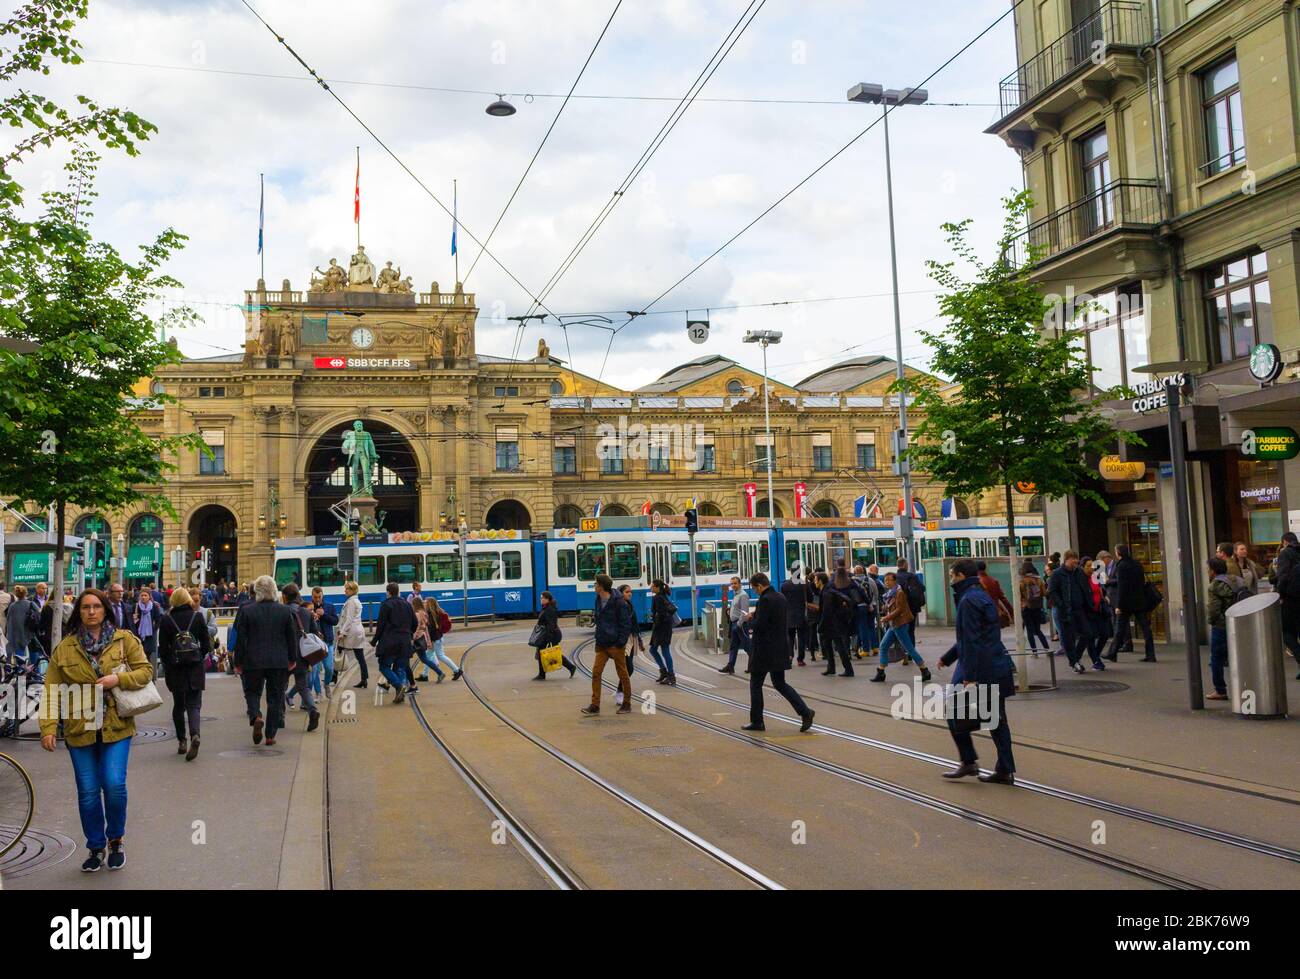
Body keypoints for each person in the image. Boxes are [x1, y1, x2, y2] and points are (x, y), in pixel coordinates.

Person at [39, 588, 153, 871]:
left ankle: (115, 839)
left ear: (105, 610)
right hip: (80, 726)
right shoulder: (65, 648)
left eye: (96, 607)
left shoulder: (123, 640)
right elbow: (51, 689)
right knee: (88, 791)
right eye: (85, 607)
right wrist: (48, 727)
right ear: (78, 611)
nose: (91, 612)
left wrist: (118, 679)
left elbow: (146, 671)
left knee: (114, 785)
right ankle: (95, 846)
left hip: (116, 725)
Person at [937, 560, 1016, 784]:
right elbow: (980, 634)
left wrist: (969, 677)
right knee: (997, 720)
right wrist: (948, 657)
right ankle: (1005, 769)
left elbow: (970, 639)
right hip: (995, 664)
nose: (951, 580)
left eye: (952, 576)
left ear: (961, 576)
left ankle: (969, 761)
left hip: (977, 667)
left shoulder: (968, 600)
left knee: (953, 711)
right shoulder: (981, 595)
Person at [742, 573, 815, 733]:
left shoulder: (765, 600)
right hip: (780, 648)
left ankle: (757, 721)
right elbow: (774, 619)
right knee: (780, 684)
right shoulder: (780, 597)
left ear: (759, 586)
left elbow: (761, 625)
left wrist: (750, 619)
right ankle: (805, 712)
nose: (755, 591)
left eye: (755, 588)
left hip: (764, 650)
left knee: (755, 685)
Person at [231, 575, 298, 746]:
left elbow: (241, 640)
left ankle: (256, 716)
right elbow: (291, 638)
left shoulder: (247, 611)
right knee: (275, 697)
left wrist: (237, 662)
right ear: (275, 591)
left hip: (253, 660)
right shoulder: (285, 611)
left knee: (252, 692)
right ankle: (270, 735)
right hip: (278, 660)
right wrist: (292, 659)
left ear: (257, 592)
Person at [157, 587, 210, 761]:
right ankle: (195, 734)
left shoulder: (166, 619)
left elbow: (163, 649)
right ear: (188, 599)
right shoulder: (198, 616)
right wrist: (198, 657)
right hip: (195, 666)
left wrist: (170, 663)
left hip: (176, 667)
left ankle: (182, 741)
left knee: (179, 705)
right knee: (194, 704)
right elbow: (206, 644)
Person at [580, 573, 633, 716]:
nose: (594, 586)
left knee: (623, 674)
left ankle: (626, 703)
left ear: (602, 586)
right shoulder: (598, 599)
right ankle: (595, 705)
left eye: (596, 584)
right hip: (602, 643)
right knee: (596, 673)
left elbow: (625, 624)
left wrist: (620, 643)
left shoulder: (619, 602)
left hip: (616, 644)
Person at [871, 571, 930, 682]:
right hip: (893, 625)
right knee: (883, 646)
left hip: (900, 625)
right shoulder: (889, 594)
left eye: (889, 580)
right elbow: (891, 607)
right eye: (885, 580)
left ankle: (924, 670)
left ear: (895, 581)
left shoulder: (899, 593)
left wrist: (886, 618)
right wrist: (884, 609)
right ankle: (881, 672)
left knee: (909, 648)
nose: (887, 582)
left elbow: (899, 609)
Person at [1047, 550, 1099, 673]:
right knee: (1068, 638)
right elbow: (1052, 591)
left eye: (1076, 559)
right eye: (1073, 559)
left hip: (1079, 609)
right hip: (1065, 611)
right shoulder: (1057, 574)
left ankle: (1076, 657)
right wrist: (1061, 605)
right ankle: (1074, 662)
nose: (1076, 561)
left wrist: (1089, 604)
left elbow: (1085, 588)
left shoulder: (1079, 573)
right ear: (1066, 560)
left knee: (1087, 633)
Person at [282, 583, 322, 729]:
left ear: (284, 596)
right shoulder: (306, 612)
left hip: (285, 655)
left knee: (281, 685)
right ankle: (313, 710)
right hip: (302, 655)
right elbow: (315, 633)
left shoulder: (282, 611)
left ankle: (280, 716)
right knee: (302, 686)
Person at [1106, 544, 1155, 662]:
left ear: (1119, 553)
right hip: (1139, 601)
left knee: (1119, 628)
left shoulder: (1121, 566)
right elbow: (1142, 582)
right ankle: (1150, 654)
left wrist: (1119, 605)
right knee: (1146, 628)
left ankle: (1112, 653)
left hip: (1126, 603)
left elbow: (1122, 587)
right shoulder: (1137, 564)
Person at [1205, 556, 1242, 701]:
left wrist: (1212, 621)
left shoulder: (1215, 585)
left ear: (1213, 571)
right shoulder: (1237, 580)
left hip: (1222, 626)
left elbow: (1214, 609)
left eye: (1208, 569)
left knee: (1217, 658)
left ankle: (1220, 690)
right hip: (1240, 622)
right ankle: (1246, 686)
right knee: (1240, 657)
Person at [373, 582, 416, 703]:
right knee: (400, 668)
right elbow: (415, 623)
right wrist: (409, 633)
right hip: (405, 641)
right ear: (398, 591)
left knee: (384, 666)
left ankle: (398, 686)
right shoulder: (407, 604)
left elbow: (380, 625)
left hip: (389, 641)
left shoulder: (386, 604)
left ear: (388, 592)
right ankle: (400, 694)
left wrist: (375, 640)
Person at [530, 590, 576, 680]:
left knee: (552, 653)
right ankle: (542, 674)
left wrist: (548, 638)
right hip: (547, 634)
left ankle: (543, 674)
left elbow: (551, 625)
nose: (541, 599)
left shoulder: (550, 609)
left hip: (552, 635)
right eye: (541, 598)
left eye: (542, 598)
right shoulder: (546, 607)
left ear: (547, 599)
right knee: (543, 652)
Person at [818, 569, 855, 677]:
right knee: (828, 645)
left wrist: (821, 625)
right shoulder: (827, 590)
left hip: (832, 624)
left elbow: (827, 611)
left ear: (820, 581)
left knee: (839, 647)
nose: (814, 582)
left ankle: (848, 670)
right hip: (833, 624)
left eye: (816, 580)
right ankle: (831, 667)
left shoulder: (826, 593)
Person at [1274, 532, 1300, 679]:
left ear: (1284, 541)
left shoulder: (1285, 553)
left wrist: (1280, 595)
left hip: (1290, 600)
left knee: (1286, 632)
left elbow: (1282, 577)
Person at [336, 581, 369, 688]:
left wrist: (342, 632)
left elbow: (348, 619)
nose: (345, 590)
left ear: (353, 590)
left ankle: (333, 675)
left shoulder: (351, 602)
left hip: (351, 632)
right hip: (358, 630)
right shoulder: (356, 600)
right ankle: (364, 679)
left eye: (347, 589)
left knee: (339, 650)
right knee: (360, 656)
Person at [1081, 559, 1112, 668]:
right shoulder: (1081, 580)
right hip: (1087, 612)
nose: (1091, 568)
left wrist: (1105, 596)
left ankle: (1095, 655)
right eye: (1088, 566)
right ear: (1083, 567)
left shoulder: (1095, 577)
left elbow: (1101, 589)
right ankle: (1096, 660)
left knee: (1105, 634)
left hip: (1099, 610)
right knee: (1091, 636)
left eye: (1092, 565)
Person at [308, 586, 338, 693]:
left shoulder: (329, 606)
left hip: (328, 642)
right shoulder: (308, 607)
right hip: (314, 645)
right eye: (315, 597)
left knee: (329, 668)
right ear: (312, 596)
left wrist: (324, 614)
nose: (317, 599)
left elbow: (335, 621)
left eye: (319, 597)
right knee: (315, 671)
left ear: (322, 595)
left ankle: (326, 684)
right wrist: (312, 617)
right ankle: (318, 692)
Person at [424, 597, 463, 680]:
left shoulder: (432, 614)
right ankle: (424, 675)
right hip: (437, 638)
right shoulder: (437, 612)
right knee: (427, 656)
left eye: (426, 603)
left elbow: (432, 629)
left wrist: (430, 641)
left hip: (435, 639)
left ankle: (457, 670)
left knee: (440, 656)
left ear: (430, 604)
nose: (424, 604)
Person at [647, 579, 677, 686]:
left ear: (657, 587)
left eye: (652, 586)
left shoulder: (657, 598)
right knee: (656, 650)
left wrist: (654, 619)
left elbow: (661, 614)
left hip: (661, 628)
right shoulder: (663, 596)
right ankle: (665, 672)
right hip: (665, 627)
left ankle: (670, 675)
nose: (651, 588)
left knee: (662, 651)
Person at [409, 596, 446, 683]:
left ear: (415, 604)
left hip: (416, 640)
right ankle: (440, 673)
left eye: (412, 604)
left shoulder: (417, 614)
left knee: (402, 660)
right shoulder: (424, 613)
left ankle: (402, 682)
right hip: (422, 639)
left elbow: (417, 627)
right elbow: (426, 629)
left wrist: (412, 638)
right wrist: (428, 641)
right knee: (424, 659)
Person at [1018, 560, 1051, 655]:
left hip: (1026, 608)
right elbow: (1044, 593)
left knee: (1029, 631)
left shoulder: (1022, 581)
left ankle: (1034, 652)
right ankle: (1047, 649)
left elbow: (1019, 596)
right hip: (1037, 607)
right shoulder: (1038, 580)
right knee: (1038, 630)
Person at [720, 576, 750, 675]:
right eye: (732, 583)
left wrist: (738, 624)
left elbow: (744, 612)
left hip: (740, 625)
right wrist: (730, 611)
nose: (733, 585)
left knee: (747, 646)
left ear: (740, 584)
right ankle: (730, 666)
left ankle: (755, 665)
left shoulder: (743, 595)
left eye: (735, 583)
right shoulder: (735, 595)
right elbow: (737, 608)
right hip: (734, 624)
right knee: (733, 646)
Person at [851, 565, 881, 660]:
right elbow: (876, 594)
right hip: (872, 606)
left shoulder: (852, 581)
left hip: (860, 607)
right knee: (871, 626)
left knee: (862, 627)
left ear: (855, 572)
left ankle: (865, 649)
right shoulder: (870, 580)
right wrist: (873, 605)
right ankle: (875, 647)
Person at [131, 587, 162, 677]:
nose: (143, 597)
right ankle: (140, 675)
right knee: (138, 656)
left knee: (147, 657)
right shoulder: (136, 606)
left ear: (149, 597)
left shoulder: (154, 607)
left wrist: (153, 629)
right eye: (142, 595)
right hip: (138, 635)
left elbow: (158, 619)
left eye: (145, 595)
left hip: (149, 635)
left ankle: (147, 676)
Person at [894, 558, 925, 647]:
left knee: (900, 630)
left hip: (898, 608)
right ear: (905, 565)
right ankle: (911, 652)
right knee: (910, 630)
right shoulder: (912, 576)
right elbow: (922, 588)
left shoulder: (894, 577)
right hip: (911, 607)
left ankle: (903, 651)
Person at [781, 570, 809, 666]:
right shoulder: (803, 584)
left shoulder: (785, 585)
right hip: (801, 613)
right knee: (801, 637)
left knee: (790, 636)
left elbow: (782, 598)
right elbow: (809, 597)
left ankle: (789, 657)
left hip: (789, 614)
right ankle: (800, 659)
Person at [976, 562, 1014, 629]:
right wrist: (1011, 612)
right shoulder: (993, 581)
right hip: (995, 613)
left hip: (981, 615)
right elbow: (1003, 598)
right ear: (985, 568)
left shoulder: (977, 583)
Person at [619, 584, 644, 687]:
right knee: (629, 668)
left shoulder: (630, 604)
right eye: (627, 592)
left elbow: (635, 624)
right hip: (624, 640)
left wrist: (639, 640)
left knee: (628, 668)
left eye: (630, 592)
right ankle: (620, 691)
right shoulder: (619, 606)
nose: (630, 594)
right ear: (621, 593)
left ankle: (620, 690)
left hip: (632, 638)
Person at [5, 583, 35, 666]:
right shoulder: (31, 604)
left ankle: (20, 671)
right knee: (31, 654)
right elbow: (38, 616)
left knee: (19, 655)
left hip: (16, 634)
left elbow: (9, 621)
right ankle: (31, 673)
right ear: (26, 593)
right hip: (29, 633)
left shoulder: (12, 606)